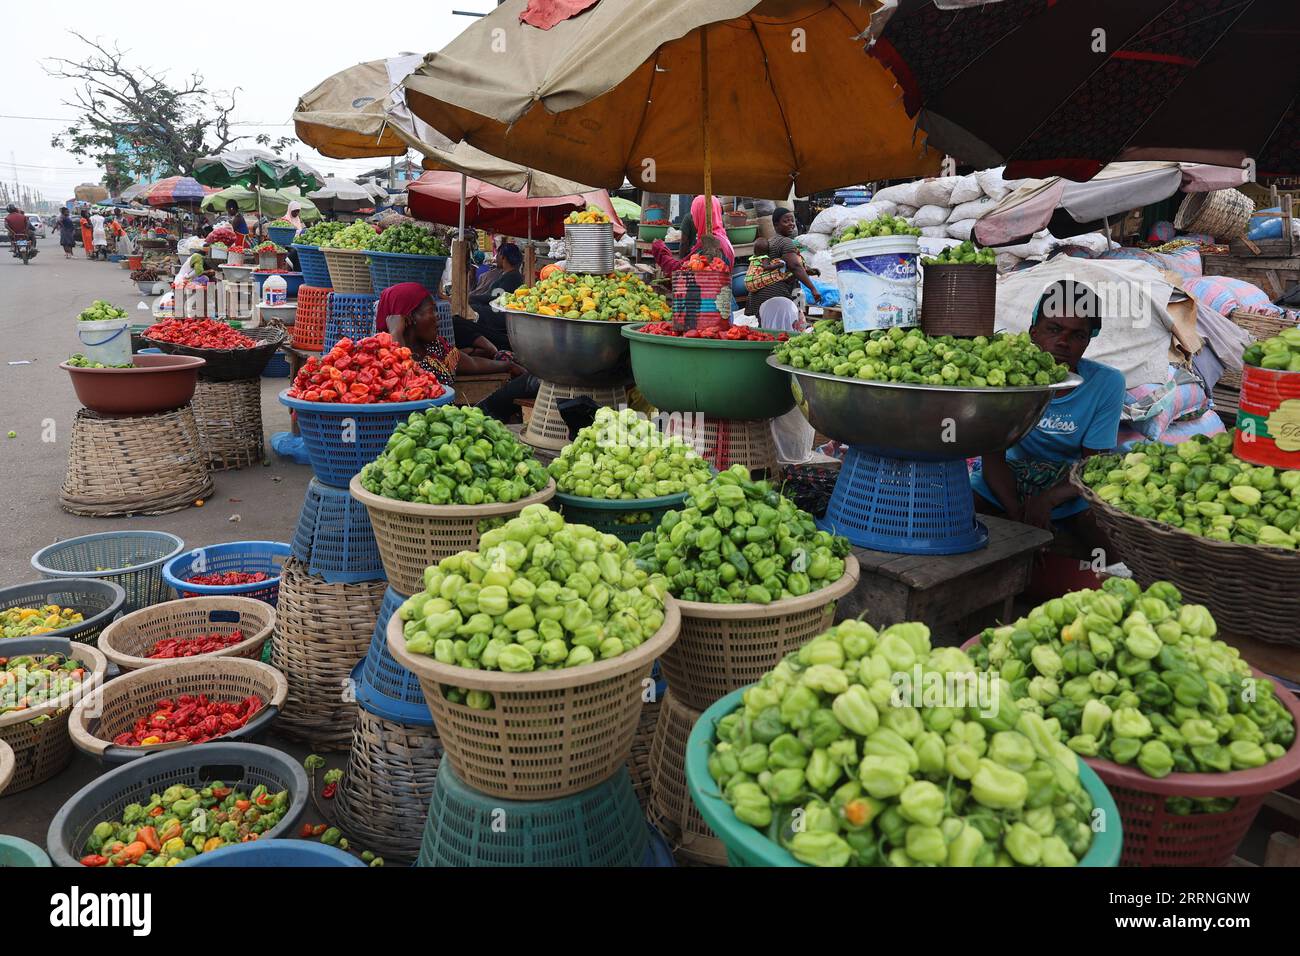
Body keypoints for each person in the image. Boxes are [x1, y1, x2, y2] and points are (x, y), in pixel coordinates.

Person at [970, 281, 1125, 549]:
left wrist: (1048, 500)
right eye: (1054, 329)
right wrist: (1017, 512)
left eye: (1078, 335)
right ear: (1033, 332)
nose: (1063, 342)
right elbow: (993, 460)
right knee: (955, 513)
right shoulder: (1007, 379)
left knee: (1107, 537)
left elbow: (1092, 466)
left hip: (1070, 484)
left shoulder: (1106, 383)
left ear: (1088, 342)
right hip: (1008, 476)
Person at [379, 283, 538, 422]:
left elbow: (472, 364)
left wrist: (507, 366)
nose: (438, 316)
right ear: (408, 319)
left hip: (450, 423)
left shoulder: (436, 347)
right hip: (416, 430)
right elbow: (401, 384)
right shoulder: (382, 354)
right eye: (432, 311)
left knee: (530, 382)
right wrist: (396, 333)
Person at [745, 207, 821, 317]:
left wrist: (808, 271)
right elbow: (794, 266)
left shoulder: (771, 241)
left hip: (760, 296)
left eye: (792, 221)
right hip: (775, 293)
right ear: (776, 224)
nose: (791, 224)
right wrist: (813, 289)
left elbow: (786, 269)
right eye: (786, 221)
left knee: (768, 330)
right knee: (787, 328)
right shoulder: (785, 242)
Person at [454, 243, 526, 353]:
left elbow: (494, 297)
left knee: (466, 315)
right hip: (495, 313)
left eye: (497, 255)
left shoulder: (513, 277)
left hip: (499, 317)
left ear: (503, 256)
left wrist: (471, 298)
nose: (495, 258)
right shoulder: (508, 275)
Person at [650, 195, 735, 275]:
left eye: (694, 215)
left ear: (699, 215)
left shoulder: (710, 243)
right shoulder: (723, 238)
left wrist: (660, 249)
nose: (693, 219)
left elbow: (678, 270)